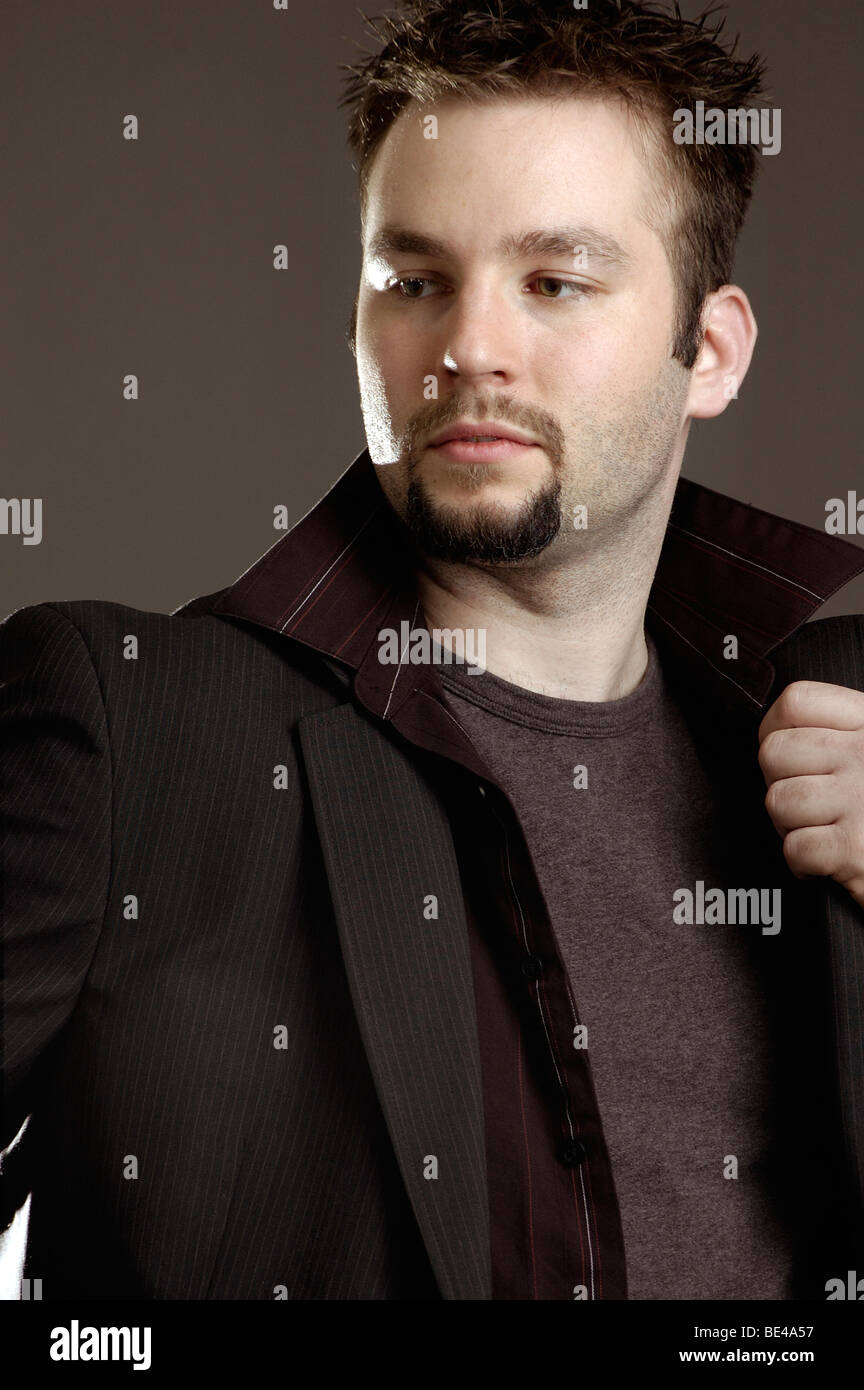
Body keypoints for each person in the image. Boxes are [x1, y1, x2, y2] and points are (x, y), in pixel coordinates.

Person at [3, 0, 864, 1301]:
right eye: (415, 280)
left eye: (554, 282)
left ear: (715, 351)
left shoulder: (821, 753)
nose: (469, 346)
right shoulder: (128, 732)